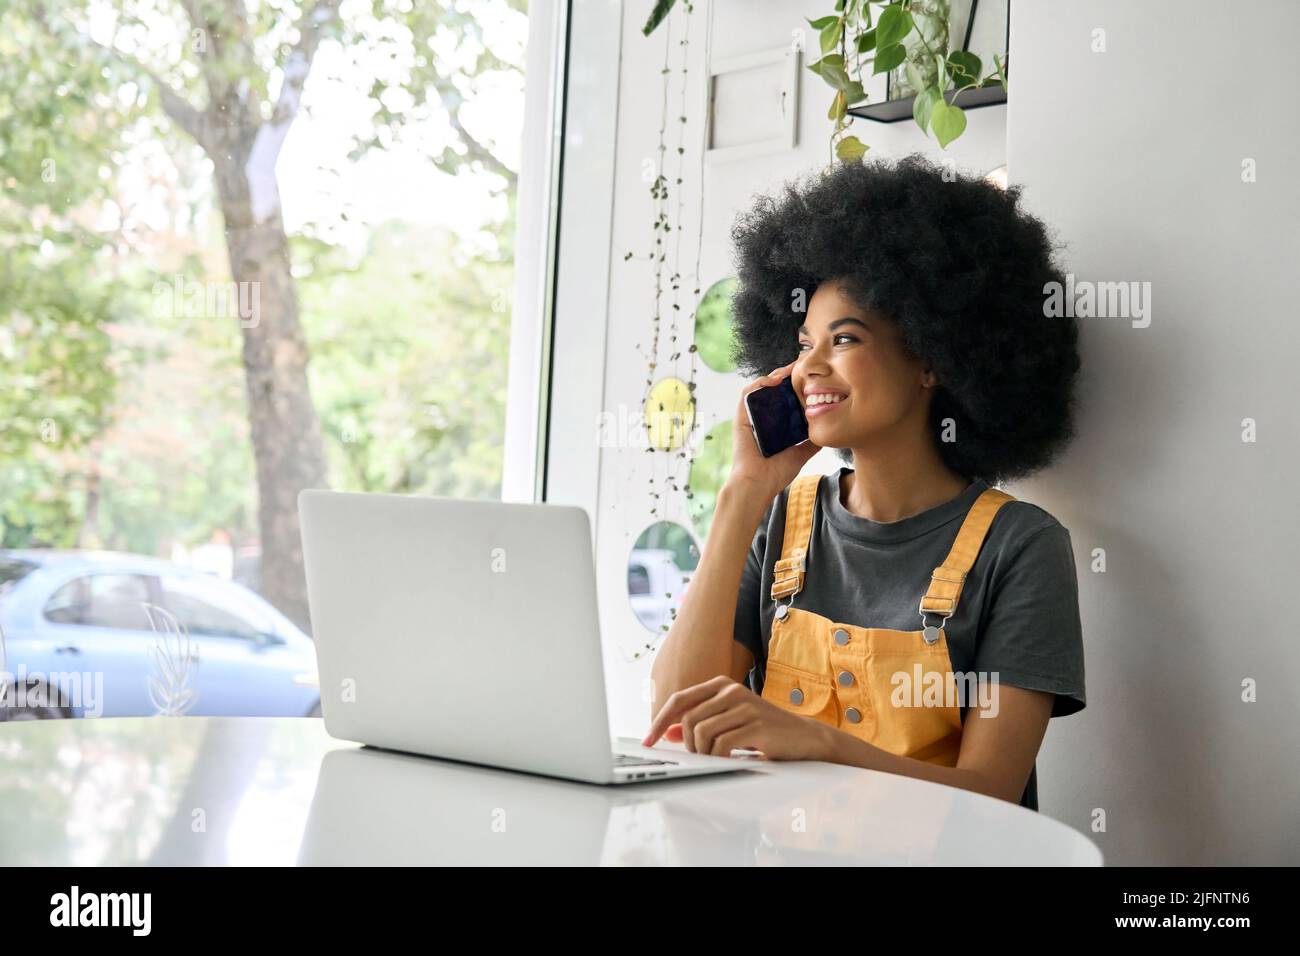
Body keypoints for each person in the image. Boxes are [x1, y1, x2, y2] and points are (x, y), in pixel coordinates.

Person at [644, 153, 1085, 810]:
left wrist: (821, 744)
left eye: (842, 339)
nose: (806, 368)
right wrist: (743, 493)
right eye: (802, 343)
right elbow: (676, 718)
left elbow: (989, 796)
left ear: (932, 359)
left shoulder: (1020, 546)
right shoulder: (777, 520)